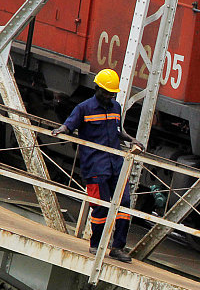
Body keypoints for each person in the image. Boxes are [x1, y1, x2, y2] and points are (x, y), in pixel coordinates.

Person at [51, 68, 143, 262]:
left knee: (124, 204)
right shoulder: (84, 108)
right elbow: (69, 125)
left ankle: (118, 247)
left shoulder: (115, 107)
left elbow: (118, 131)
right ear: (97, 88)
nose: (109, 96)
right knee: (101, 207)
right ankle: (96, 244)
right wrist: (61, 130)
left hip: (116, 164)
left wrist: (131, 139)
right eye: (106, 92)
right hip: (94, 166)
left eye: (112, 93)